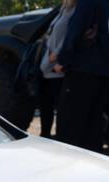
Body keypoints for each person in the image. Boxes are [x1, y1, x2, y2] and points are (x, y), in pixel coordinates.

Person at [55, 0, 109, 151]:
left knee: (69, 127)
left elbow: (75, 30)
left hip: (82, 71)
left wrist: (63, 60)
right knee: (93, 127)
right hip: (105, 73)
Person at [39, 0, 76, 138]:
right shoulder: (63, 9)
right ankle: (45, 135)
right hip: (46, 63)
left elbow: (70, 35)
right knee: (45, 104)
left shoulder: (75, 10)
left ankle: (61, 138)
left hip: (57, 65)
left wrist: (58, 54)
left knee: (61, 107)